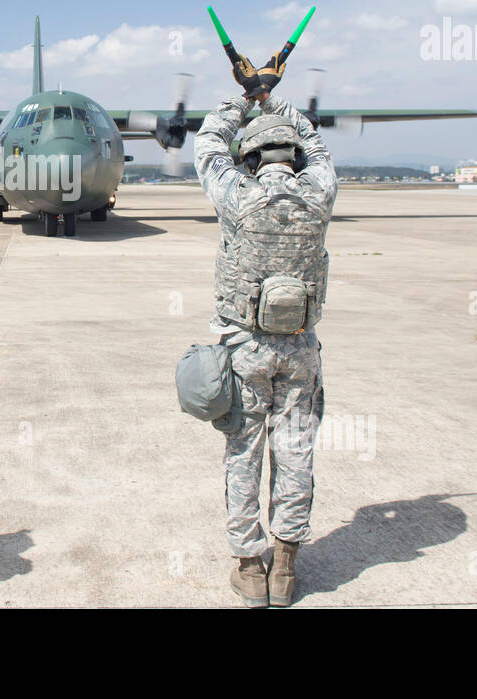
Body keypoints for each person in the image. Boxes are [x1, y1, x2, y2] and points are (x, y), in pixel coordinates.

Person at [193, 73, 337, 608]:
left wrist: (242, 99)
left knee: (243, 452)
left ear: (250, 159)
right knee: (296, 450)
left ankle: (251, 568)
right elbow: (317, 143)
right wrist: (274, 102)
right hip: (300, 350)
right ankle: (288, 566)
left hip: (245, 348)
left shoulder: (237, 195)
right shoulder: (319, 192)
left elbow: (208, 141)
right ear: (294, 158)